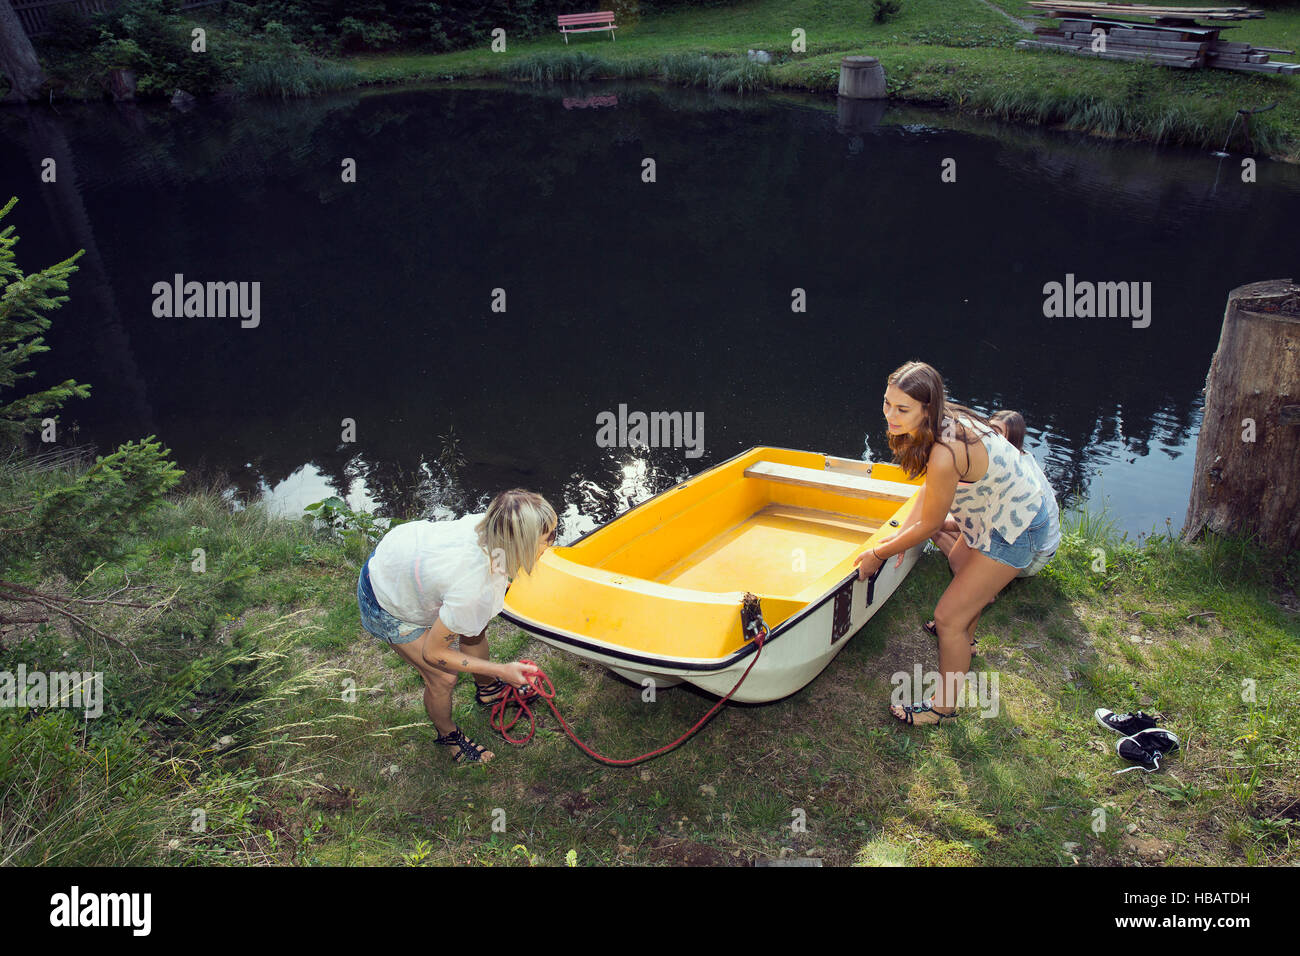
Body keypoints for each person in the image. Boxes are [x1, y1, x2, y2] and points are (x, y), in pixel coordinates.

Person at [854, 362, 1059, 726]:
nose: (891, 415)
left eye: (902, 409)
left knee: (947, 619)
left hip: (1016, 526)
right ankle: (969, 640)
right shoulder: (943, 421)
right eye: (887, 403)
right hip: (998, 512)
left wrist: (877, 552)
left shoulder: (945, 452)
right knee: (962, 565)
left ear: (927, 408)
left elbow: (932, 523)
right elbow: (927, 494)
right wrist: (905, 532)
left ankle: (942, 707)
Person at [357, 489, 556, 763]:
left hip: (400, 559)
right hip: (384, 597)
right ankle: (448, 736)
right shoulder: (473, 588)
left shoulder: (493, 525)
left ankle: (489, 691)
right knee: (442, 676)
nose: (553, 545)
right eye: (548, 538)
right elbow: (434, 653)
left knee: (475, 628)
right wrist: (502, 670)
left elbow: (472, 615)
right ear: (519, 542)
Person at [926, 409, 1060, 636]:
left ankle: (976, 592)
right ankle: (971, 599)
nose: (987, 435)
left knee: (940, 533)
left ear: (1012, 440)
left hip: (1033, 551)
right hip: (1017, 532)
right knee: (950, 542)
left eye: (997, 432)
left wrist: (932, 522)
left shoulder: (1009, 470)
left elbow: (983, 521)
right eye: (988, 428)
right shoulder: (1002, 458)